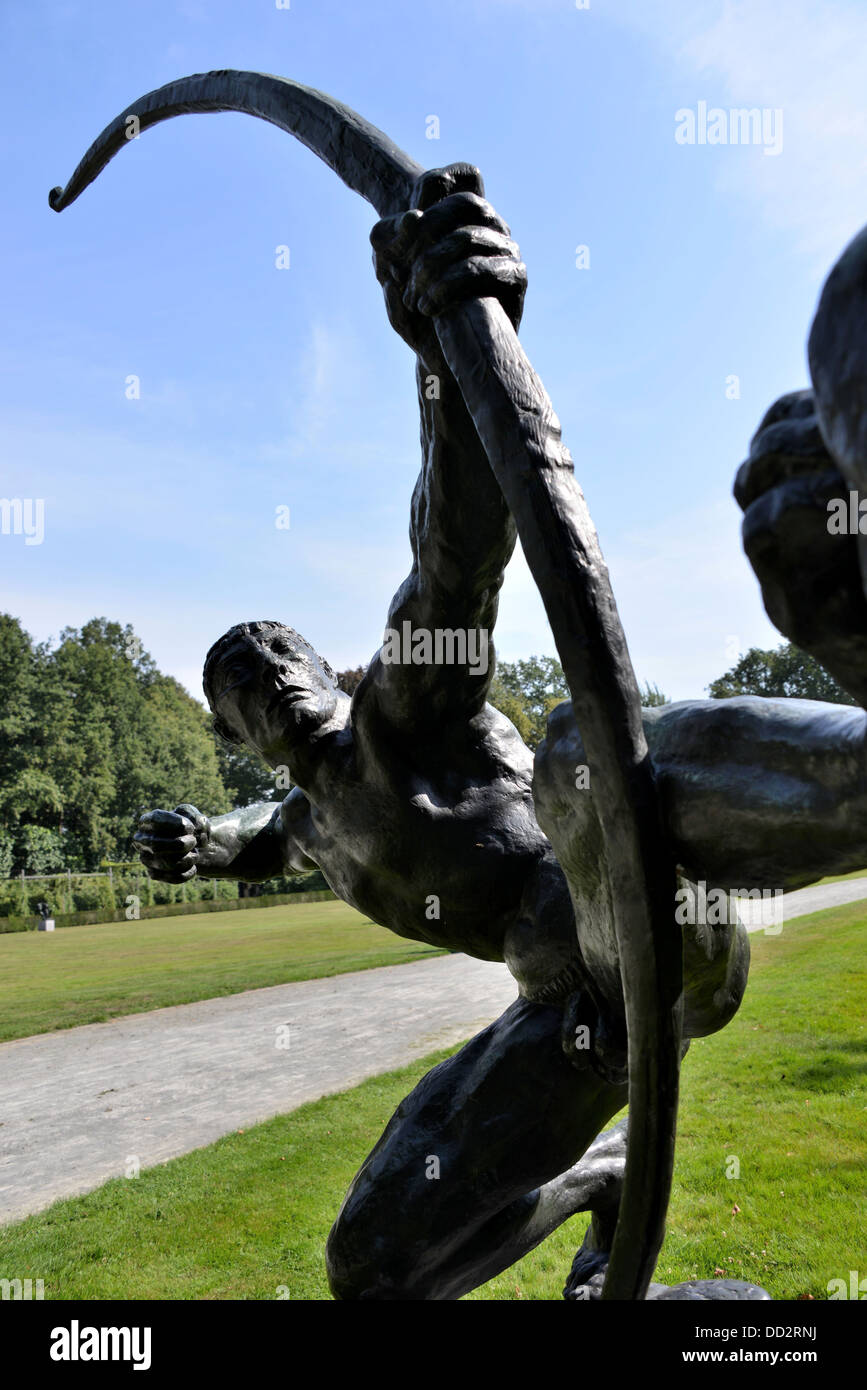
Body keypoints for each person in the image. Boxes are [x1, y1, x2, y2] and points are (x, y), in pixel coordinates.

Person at [135, 168, 867, 1299]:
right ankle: (599, 1186)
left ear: (324, 664)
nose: (259, 683)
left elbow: (457, 549)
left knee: (584, 747)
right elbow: (240, 837)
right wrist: (190, 837)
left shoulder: (403, 706)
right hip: (566, 1020)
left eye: (275, 655)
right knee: (369, 1265)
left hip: (639, 917)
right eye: (233, 690)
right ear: (236, 734)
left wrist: (451, 348)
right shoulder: (306, 823)